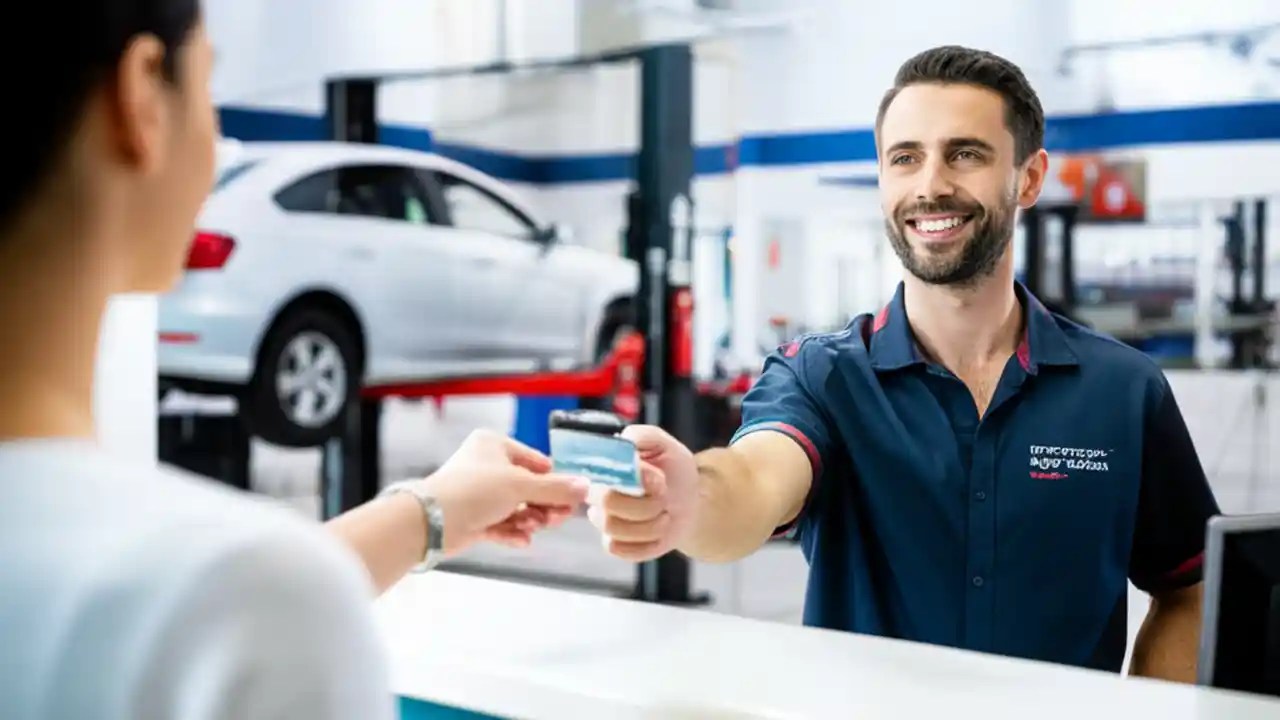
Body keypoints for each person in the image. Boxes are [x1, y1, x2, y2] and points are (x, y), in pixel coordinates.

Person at [0, 2, 587, 718]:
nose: (221, 141)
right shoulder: (254, 612)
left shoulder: (224, 589)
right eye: (210, 91)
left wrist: (428, 513)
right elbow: (234, 605)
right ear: (142, 95)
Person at [588, 45, 1220, 682]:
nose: (930, 184)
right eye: (905, 158)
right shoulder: (822, 378)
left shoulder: (1123, 390)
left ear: (1028, 178)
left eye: (965, 153)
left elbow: (1190, 588)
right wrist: (687, 498)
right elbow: (754, 481)